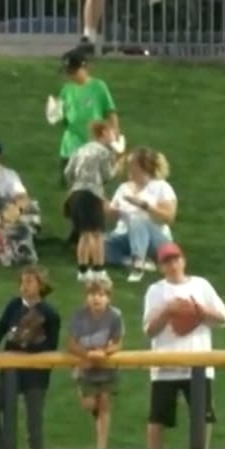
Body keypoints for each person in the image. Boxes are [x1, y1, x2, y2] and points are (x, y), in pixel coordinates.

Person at [142, 242, 225, 449]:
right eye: (167, 261)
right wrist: (167, 310)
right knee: (157, 418)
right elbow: (149, 330)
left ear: (183, 260)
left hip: (198, 365)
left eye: (175, 259)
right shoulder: (156, 291)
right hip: (165, 365)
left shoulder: (201, 286)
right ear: (161, 267)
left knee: (202, 415)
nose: (172, 265)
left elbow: (223, 318)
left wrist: (200, 312)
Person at [0, 266, 60, 449]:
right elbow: (0, 327)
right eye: (22, 282)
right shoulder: (14, 306)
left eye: (29, 282)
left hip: (35, 372)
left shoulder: (49, 313)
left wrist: (31, 345)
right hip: (10, 369)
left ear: (40, 285)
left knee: (34, 423)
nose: (24, 287)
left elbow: (52, 344)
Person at [67, 276, 124, 449]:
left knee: (105, 404)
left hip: (105, 368)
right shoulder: (78, 315)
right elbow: (71, 343)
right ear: (86, 297)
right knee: (90, 405)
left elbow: (118, 343)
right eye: (92, 294)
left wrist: (104, 353)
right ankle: (87, 396)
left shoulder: (115, 316)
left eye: (100, 294)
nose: (96, 298)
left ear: (108, 297)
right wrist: (86, 355)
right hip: (86, 367)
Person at [47, 49, 120, 194]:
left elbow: (110, 112)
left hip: (92, 145)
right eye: (68, 72)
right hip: (70, 145)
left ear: (84, 67)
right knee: (70, 185)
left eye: (73, 71)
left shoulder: (98, 87)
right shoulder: (67, 89)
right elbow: (58, 113)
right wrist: (53, 112)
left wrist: (115, 136)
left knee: (92, 186)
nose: (70, 75)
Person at [63, 119, 122, 284]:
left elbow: (68, 172)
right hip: (92, 194)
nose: (114, 136)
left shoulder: (81, 149)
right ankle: (99, 270)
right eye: (112, 132)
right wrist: (117, 166)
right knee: (97, 234)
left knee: (84, 233)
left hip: (76, 193)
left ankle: (82, 270)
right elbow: (107, 175)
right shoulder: (104, 152)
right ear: (103, 133)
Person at [107, 147, 177, 282]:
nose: (128, 167)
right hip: (124, 236)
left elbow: (168, 218)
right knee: (96, 245)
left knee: (137, 218)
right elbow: (112, 215)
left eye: (131, 164)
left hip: (155, 238)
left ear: (142, 167)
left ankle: (138, 264)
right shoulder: (123, 188)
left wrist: (143, 205)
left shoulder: (161, 187)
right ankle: (135, 262)